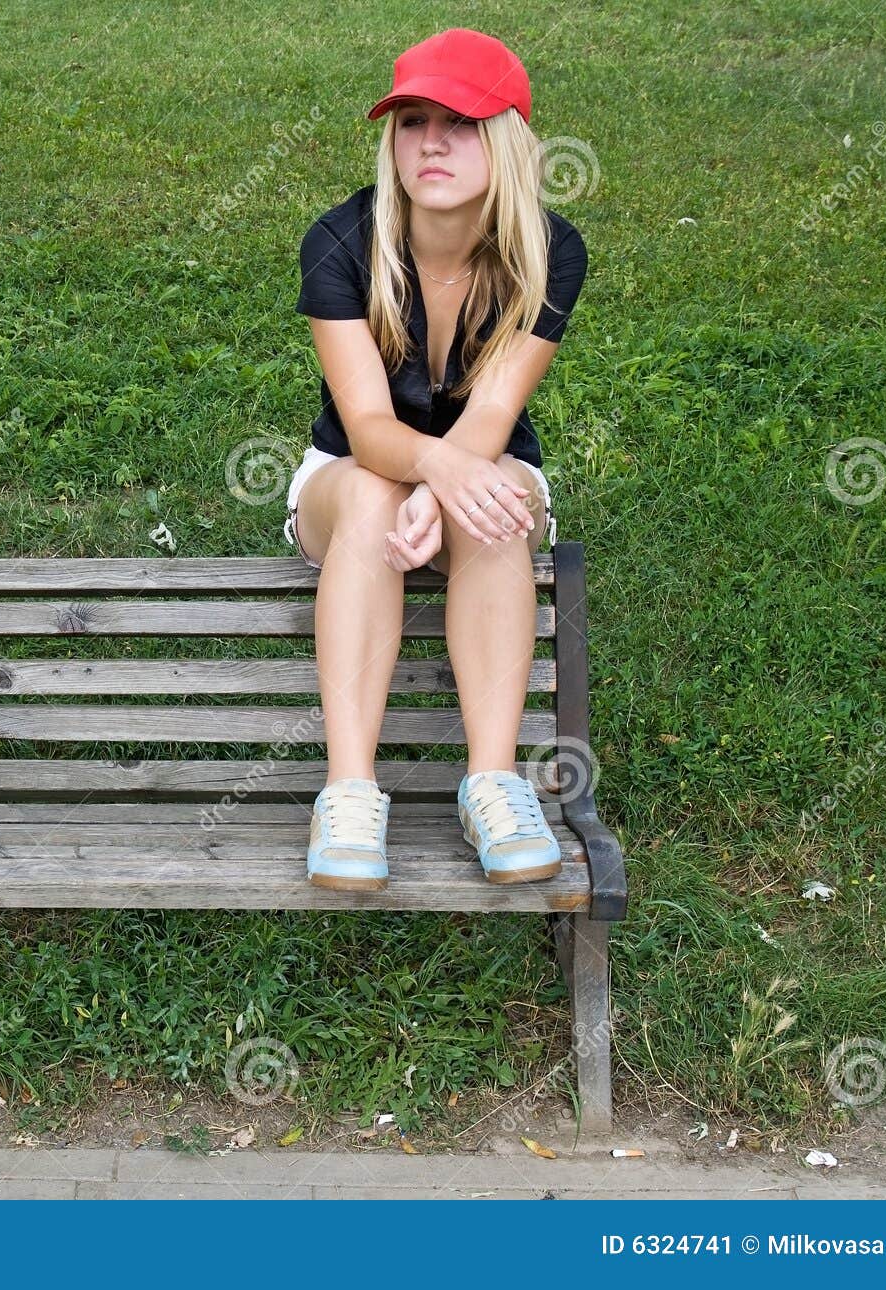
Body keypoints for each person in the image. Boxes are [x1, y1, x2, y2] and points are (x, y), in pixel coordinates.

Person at [285, 28, 589, 891]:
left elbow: (495, 410)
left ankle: (491, 785)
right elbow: (369, 424)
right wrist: (435, 477)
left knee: (497, 507)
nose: (431, 143)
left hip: (484, 464)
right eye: (414, 120)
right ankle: (347, 791)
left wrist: (455, 484)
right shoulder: (343, 241)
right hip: (350, 478)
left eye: (460, 122)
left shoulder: (549, 252)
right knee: (387, 496)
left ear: (507, 139)